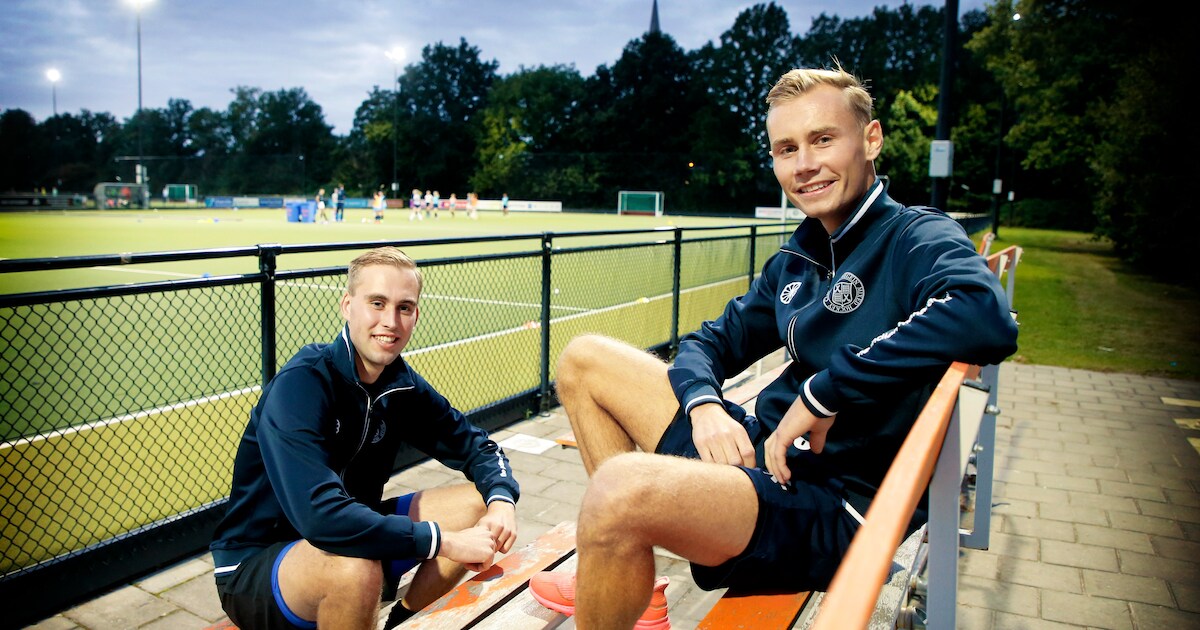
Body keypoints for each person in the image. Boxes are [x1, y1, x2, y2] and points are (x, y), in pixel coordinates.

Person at [528, 65, 1019, 629]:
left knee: (619, 487)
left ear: (871, 139)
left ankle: (613, 549)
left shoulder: (915, 236)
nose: (804, 164)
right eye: (787, 149)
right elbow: (708, 342)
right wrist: (705, 406)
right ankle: (621, 568)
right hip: (767, 455)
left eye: (823, 139)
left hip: (834, 507)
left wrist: (824, 393)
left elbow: (984, 314)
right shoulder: (800, 256)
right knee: (584, 359)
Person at [210, 247, 520, 630]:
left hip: (357, 538)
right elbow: (321, 519)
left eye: (404, 307)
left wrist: (501, 500)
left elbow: (478, 447)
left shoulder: (400, 384)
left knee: (477, 504)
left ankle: (403, 620)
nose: (390, 321)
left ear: (416, 315)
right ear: (347, 305)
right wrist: (443, 541)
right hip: (259, 564)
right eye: (377, 303)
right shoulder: (302, 384)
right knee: (356, 567)